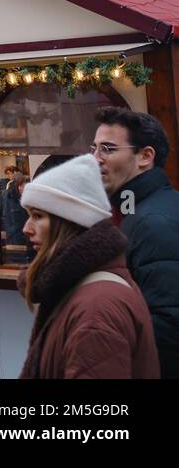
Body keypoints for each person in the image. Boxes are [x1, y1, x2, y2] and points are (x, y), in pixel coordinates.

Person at [17, 152, 158, 378]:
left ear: (70, 222)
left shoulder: (97, 307)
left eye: (38, 215)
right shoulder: (84, 290)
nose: (26, 228)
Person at [95, 107, 179, 378]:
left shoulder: (152, 221)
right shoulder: (140, 210)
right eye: (93, 148)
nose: (95, 159)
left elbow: (168, 327)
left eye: (107, 149)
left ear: (145, 156)